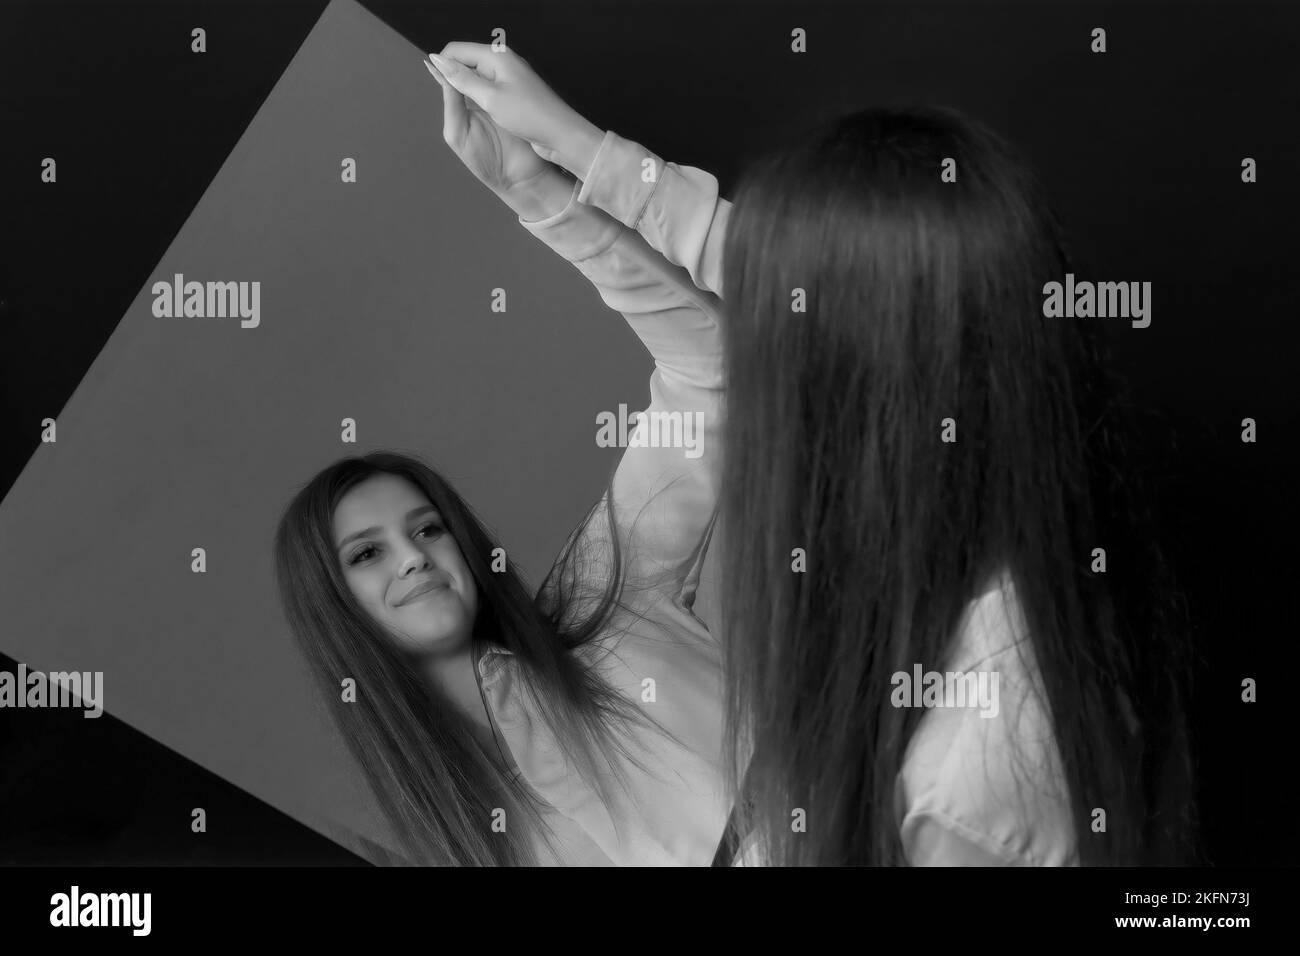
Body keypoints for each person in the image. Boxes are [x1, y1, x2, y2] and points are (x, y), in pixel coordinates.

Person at [429, 42, 1198, 866]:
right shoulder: (985, 499)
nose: (760, 344)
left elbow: (728, 341)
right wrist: (562, 166)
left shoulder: (964, 778)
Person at [271, 51, 732, 865]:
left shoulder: (608, 598)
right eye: (368, 553)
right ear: (329, 604)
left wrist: (542, 194)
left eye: (429, 528)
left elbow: (708, 373)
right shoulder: (439, 840)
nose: (414, 558)